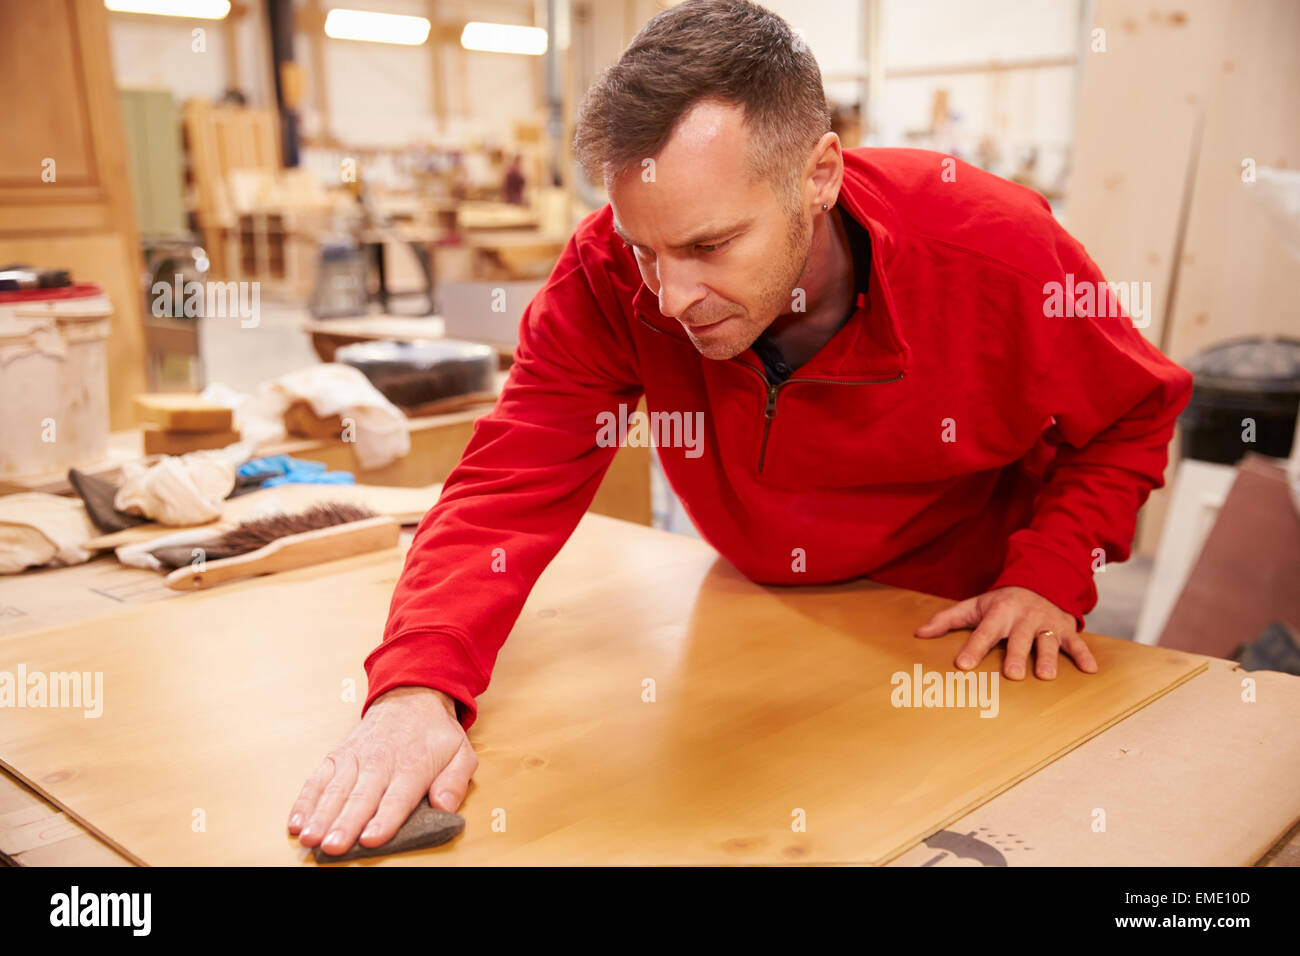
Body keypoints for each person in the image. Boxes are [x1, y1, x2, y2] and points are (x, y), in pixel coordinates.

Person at [289, 0, 1193, 857]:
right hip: (762, 605)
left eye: (710, 246)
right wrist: (416, 683)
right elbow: (506, 484)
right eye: (645, 246)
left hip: (957, 630)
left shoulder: (996, 251)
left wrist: (1051, 572)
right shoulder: (607, 274)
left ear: (820, 176)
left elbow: (1133, 412)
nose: (668, 297)